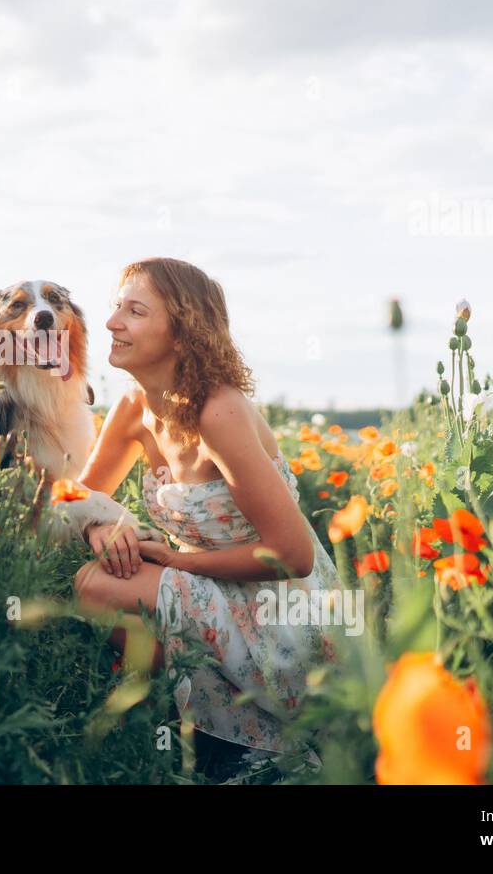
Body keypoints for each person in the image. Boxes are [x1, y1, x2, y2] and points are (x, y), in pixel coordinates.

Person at [72, 257, 342, 765]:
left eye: (134, 311)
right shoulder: (133, 409)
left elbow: (293, 555)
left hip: (279, 609)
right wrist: (98, 528)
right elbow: (81, 498)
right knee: (95, 576)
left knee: (97, 586)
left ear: (181, 333)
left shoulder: (219, 411)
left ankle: (266, 731)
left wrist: (175, 562)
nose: (111, 322)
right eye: (115, 308)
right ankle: (208, 720)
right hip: (214, 593)